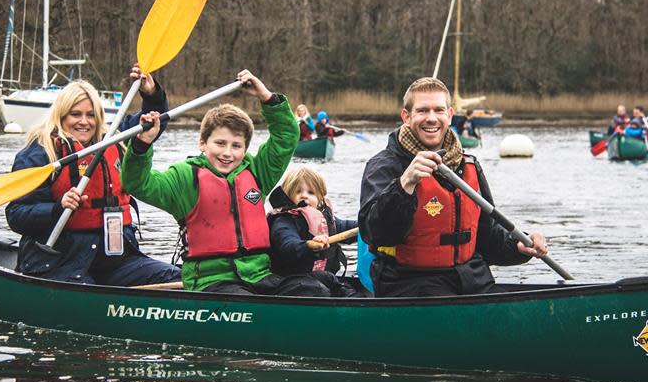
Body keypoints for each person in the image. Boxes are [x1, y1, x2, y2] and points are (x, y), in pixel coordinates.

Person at [122, 69, 329, 296]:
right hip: (211, 282)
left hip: (259, 275)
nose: (228, 153)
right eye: (220, 143)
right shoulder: (184, 177)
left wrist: (266, 97)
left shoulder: (258, 172)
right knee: (243, 300)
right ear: (203, 143)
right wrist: (141, 145)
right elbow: (137, 183)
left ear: (245, 148)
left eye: (236, 146)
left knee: (313, 289)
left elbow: (286, 137)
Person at [359, 77, 548, 298]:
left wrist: (518, 245)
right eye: (422, 111)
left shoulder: (469, 164)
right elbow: (376, 234)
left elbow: (488, 237)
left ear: (449, 115)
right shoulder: (383, 166)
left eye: (438, 110)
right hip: (410, 282)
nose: (431, 118)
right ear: (406, 117)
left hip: (472, 278)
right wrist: (405, 184)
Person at [4, 65, 179, 286]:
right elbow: (17, 214)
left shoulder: (114, 139)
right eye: (75, 114)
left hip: (118, 258)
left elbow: (153, 120)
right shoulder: (40, 154)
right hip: (60, 260)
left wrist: (151, 92)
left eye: (90, 115)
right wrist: (57, 207)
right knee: (85, 288)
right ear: (61, 115)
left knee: (175, 277)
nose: (84, 122)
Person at [267, 167, 360, 297]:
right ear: (288, 195)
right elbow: (288, 244)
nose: (304, 195)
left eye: (311, 192)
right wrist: (309, 244)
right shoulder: (284, 221)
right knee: (319, 290)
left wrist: (367, 224)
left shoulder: (324, 219)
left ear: (320, 197)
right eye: (298, 191)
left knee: (351, 291)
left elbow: (346, 227)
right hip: (291, 280)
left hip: (322, 277)